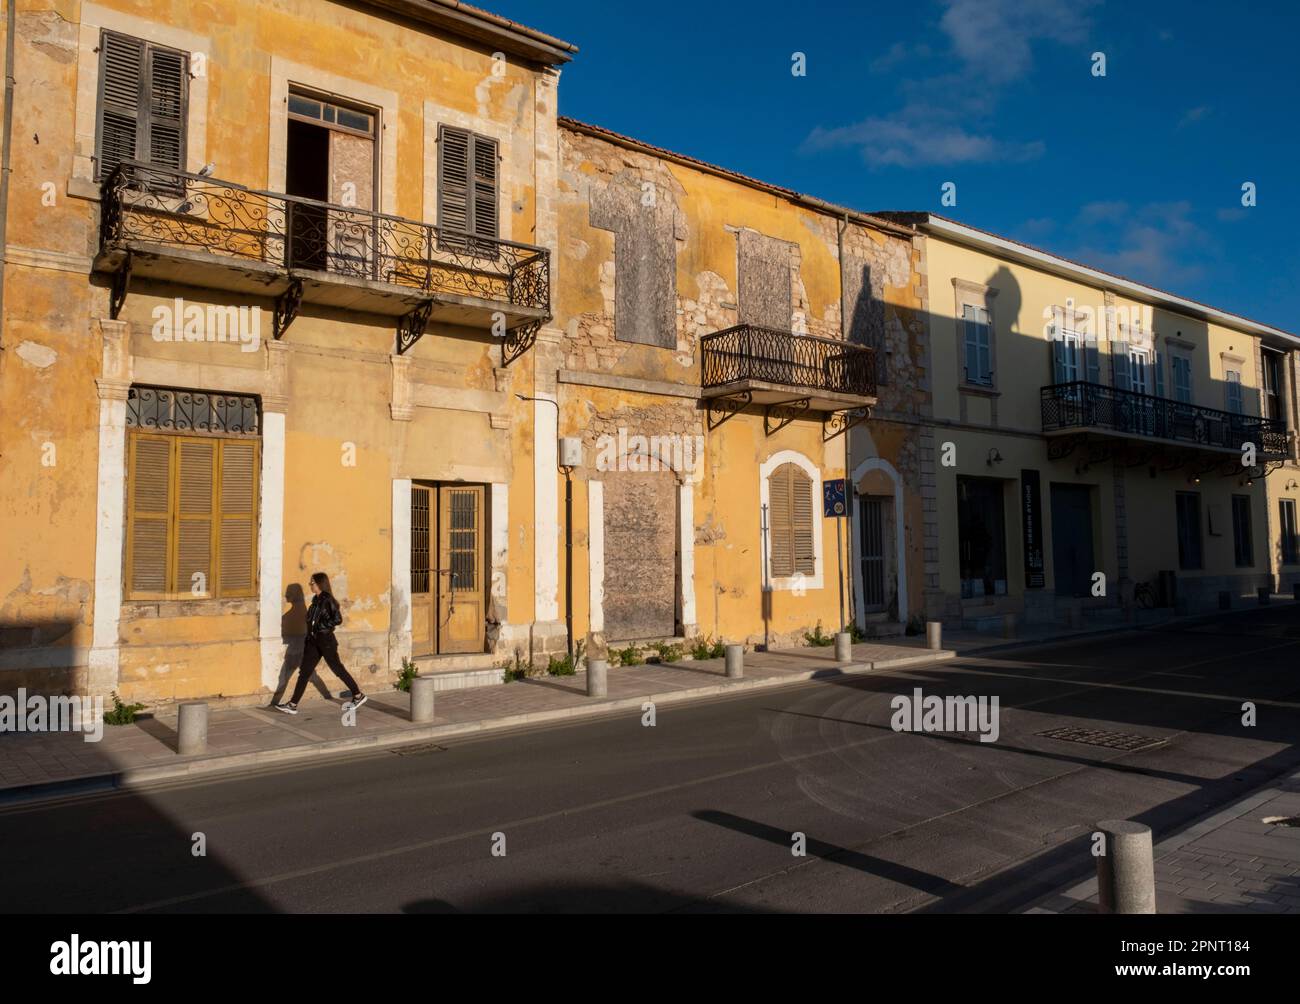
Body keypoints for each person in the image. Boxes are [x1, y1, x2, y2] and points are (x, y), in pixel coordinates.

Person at [276, 573, 367, 714]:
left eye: (312, 583)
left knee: (338, 669)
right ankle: (292, 705)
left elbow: (337, 619)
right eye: (310, 583)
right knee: (304, 672)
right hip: (313, 641)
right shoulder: (315, 601)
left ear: (320, 583)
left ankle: (358, 695)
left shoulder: (328, 600)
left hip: (326, 641)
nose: (310, 585)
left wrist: (322, 625)